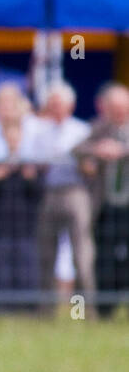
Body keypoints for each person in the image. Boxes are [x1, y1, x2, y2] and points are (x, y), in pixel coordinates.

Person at [0, 84, 44, 312]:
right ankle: (2, 306)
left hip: (26, 223)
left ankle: (29, 307)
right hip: (1, 222)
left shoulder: (30, 155)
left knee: (27, 264)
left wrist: (29, 177)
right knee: (1, 264)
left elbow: (39, 193)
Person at [33, 82, 92, 313]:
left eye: (60, 104)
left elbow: (91, 168)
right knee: (46, 252)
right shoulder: (41, 131)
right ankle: (47, 310)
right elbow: (34, 165)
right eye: (53, 104)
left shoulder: (82, 130)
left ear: (71, 105)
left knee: (82, 253)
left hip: (76, 192)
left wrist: (80, 162)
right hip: (49, 193)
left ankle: (87, 309)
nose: (56, 108)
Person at [76, 83, 129, 317]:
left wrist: (123, 150)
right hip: (106, 205)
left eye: (123, 108)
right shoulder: (99, 128)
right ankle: (105, 309)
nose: (120, 113)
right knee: (104, 257)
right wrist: (98, 149)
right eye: (115, 108)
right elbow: (76, 149)